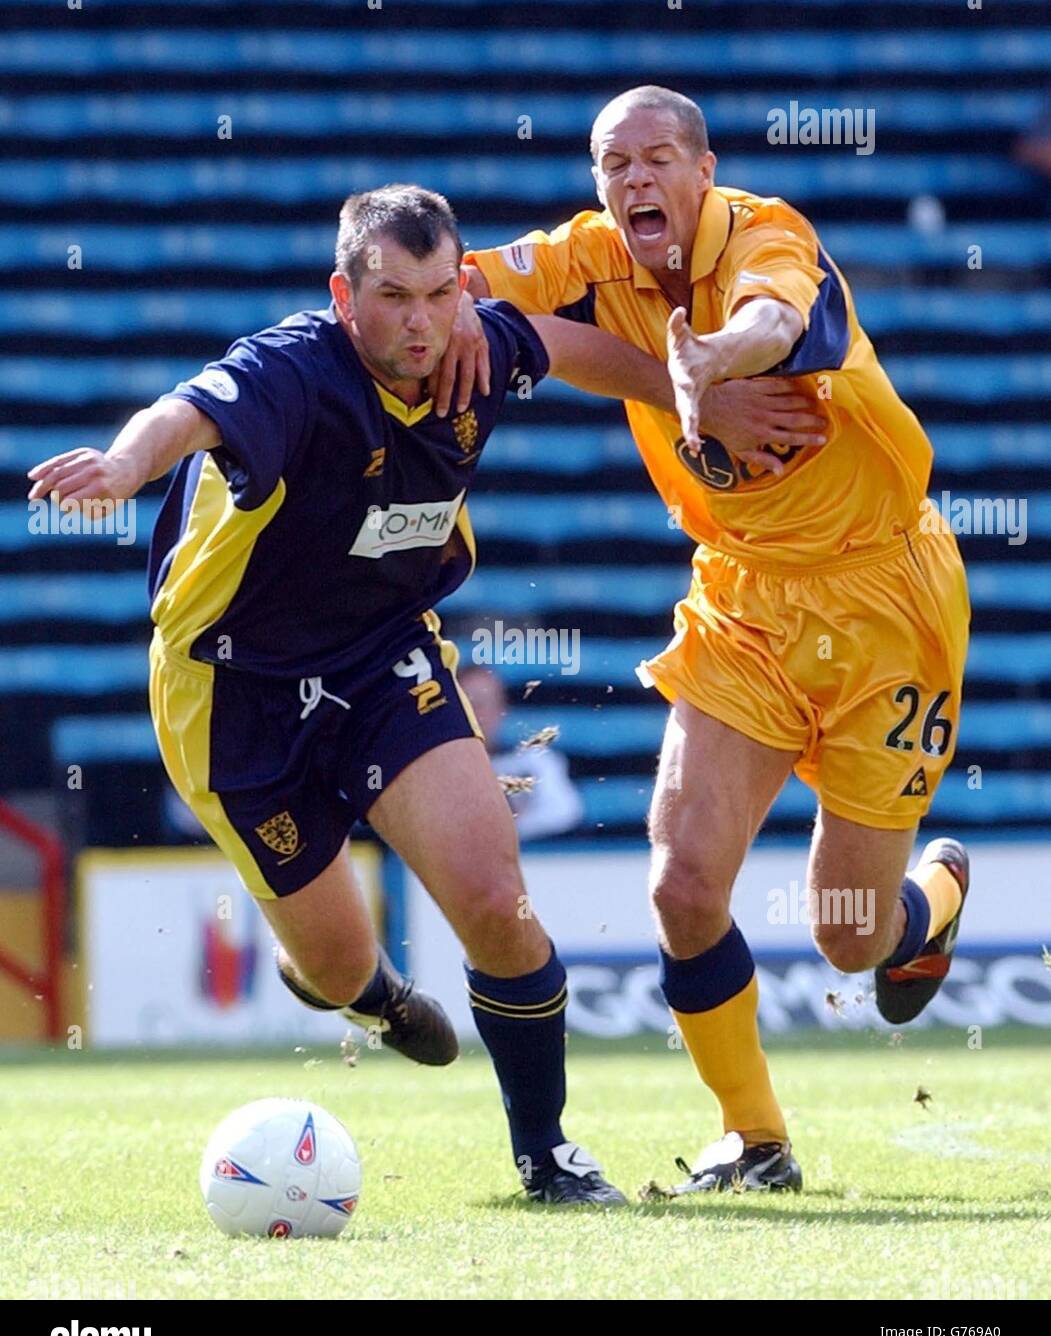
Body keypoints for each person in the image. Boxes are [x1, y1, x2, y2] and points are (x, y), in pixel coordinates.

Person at [27, 184, 700, 1207]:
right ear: (345, 294)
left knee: (493, 899)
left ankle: (547, 1155)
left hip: (382, 653)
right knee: (338, 966)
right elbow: (187, 411)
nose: (421, 321)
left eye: (441, 292)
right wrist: (124, 464)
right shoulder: (293, 371)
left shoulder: (476, 346)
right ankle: (372, 998)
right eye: (393, 296)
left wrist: (684, 390)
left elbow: (567, 348)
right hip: (230, 687)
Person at [444, 87, 971, 1195]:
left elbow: (774, 324)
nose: (632, 181)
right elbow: (473, 291)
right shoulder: (594, 250)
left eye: (655, 160)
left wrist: (710, 363)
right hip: (743, 595)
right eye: (610, 164)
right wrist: (365, 312)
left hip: (887, 599)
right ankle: (756, 1137)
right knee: (683, 885)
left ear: (702, 169)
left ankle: (929, 904)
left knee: (848, 938)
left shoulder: (771, 237)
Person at [458, 665, 584, 840]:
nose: (477, 713)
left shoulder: (535, 760)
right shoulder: (439, 770)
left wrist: (504, 829)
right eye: (468, 703)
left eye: (484, 703)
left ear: (501, 708)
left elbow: (565, 812)